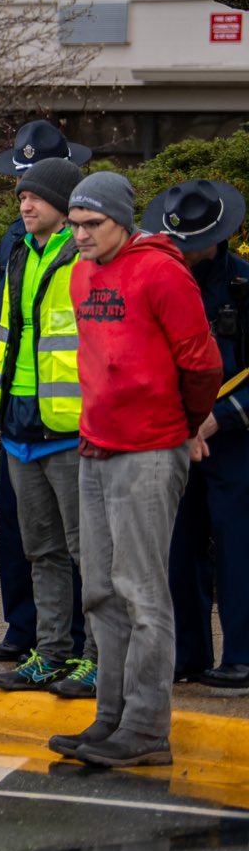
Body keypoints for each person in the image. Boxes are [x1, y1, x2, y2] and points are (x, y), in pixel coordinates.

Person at [49, 171, 223, 768]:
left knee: (144, 593)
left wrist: (186, 424)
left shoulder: (161, 271)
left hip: (148, 450)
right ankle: (110, 717)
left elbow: (202, 362)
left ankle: (147, 727)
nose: (80, 236)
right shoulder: (80, 272)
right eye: (74, 225)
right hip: (95, 447)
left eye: (91, 224)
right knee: (100, 590)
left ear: (123, 219)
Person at [0, 118, 94, 664]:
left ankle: (90, 654)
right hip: (18, 420)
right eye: (20, 192)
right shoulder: (17, 249)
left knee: (84, 551)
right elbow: (10, 327)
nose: (24, 203)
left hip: (69, 425)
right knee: (38, 547)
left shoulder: (86, 257)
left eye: (35, 195)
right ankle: (45, 648)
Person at [146, 180, 249, 690]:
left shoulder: (243, 286)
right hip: (174, 435)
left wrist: (217, 418)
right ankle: (187, 654)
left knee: (237, 548)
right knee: (177, 549)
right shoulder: (160, 280)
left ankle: (242, 656)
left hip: (232, 442)